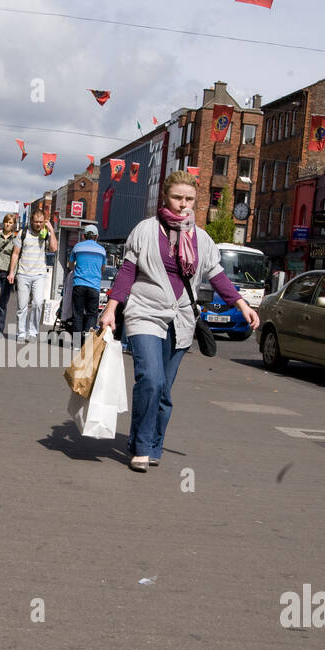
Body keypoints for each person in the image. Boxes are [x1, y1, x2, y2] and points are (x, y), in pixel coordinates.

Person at [99, 171, 259, 472]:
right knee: (150, 378)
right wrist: (111, 308)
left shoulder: (202, 239)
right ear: (165, 197)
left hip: (182, 317)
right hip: (145, 311)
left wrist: (242, 304)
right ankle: (142, 447)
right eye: (177, 198)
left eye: (189, 199)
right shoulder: (145, 231)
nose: (183, 205)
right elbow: (127, 273)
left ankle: (152, 443)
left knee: (164, 390)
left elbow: (217, 276)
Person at [10, 209, 58, 342]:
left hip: (39, 274)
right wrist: (11, 272)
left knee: (37, 303)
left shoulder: (45, 233)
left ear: (45, 221)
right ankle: (21, 332)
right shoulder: (23, 233)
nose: (38, 224)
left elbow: (54, 249)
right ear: (31, 220)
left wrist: (51, 230)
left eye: (41, 222)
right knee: (22, 305)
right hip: (23, 273)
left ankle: (33, 332)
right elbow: (15, 254)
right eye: (36, 222)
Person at [68, 224, 106, 344]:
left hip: (79, 284)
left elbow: (70, 265)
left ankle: (77, 343)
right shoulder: (102, 250)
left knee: (77, 313)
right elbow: (103, 269)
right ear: (97, 236)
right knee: (92, 314)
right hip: (94, 286)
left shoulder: (77, 247)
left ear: (84, 236)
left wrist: (78, 271)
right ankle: (87, 341)